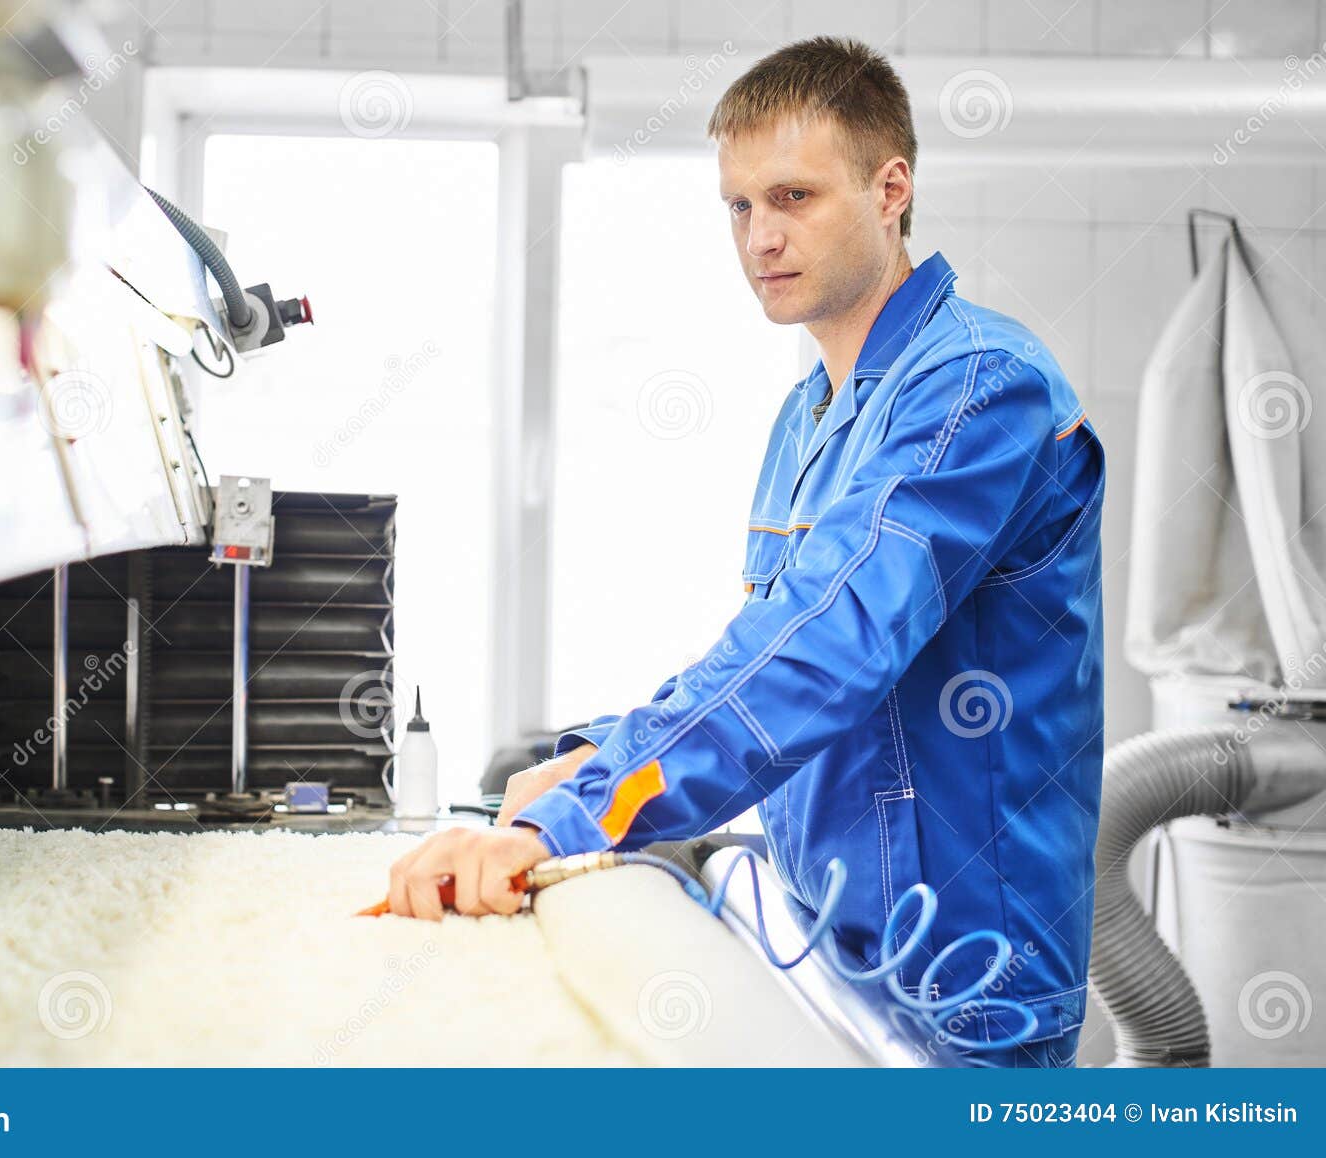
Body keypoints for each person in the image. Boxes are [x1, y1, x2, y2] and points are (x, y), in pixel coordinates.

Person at [386, 36, 1105, 1068]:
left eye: (794, 197)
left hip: (961, 983)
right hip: (832, 945)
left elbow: (831, 646)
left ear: (890, 187)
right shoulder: (808, 412)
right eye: (738, 206)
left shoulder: (978, 387)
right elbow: (768, 641)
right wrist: (599, 749)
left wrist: (588, 809)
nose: (759, 237)